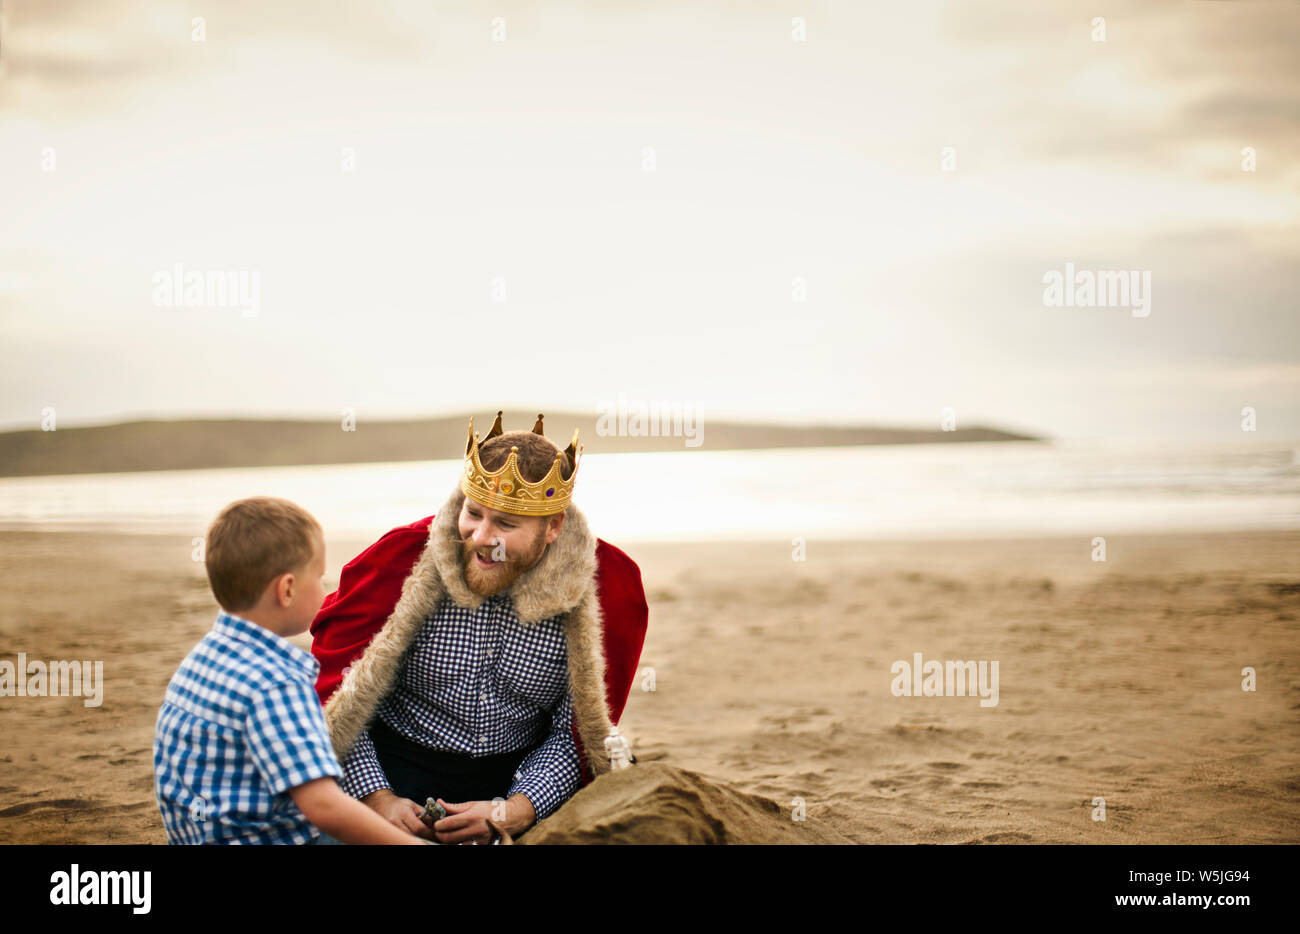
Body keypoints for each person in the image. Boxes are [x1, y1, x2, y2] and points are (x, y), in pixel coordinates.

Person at [310, 411, 649, 844]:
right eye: (474, 513)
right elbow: (341, 697)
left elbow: (577, 734)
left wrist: (517, 809)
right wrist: (377, 798)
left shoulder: (602, 589)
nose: (480, 536)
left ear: (553, 527)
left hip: (520, 776)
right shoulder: (399, 561)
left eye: (506, 524)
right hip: (391, 767)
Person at [153, 497, 427, 845]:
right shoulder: (277, 683)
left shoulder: (200, 661)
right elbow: (324, 805)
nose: (325, 589)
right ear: (287, 589)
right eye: (318, 577)